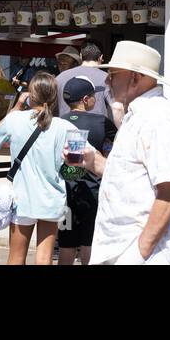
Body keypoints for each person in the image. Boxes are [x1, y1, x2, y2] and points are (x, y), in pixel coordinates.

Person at [64, 41, 170, 264]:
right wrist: (91, 160)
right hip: (123, 249)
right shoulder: (137, 115)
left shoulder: (158, 117)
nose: (106, 80)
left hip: (143, 253)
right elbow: (126, 175)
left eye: (113, 74)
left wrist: (139, 253)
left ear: (135, 77)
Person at [0, 70, 72, 265]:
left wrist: (17, 105)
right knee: (44, 258)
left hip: (21, 198)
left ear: (31, 95)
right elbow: (77, 164)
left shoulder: (15, 119)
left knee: (16, 257)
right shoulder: (64, 127)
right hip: (51, 199)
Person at [58, 76, 117, 265]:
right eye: (93, 96)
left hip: (65, 194)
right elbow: (115, 151)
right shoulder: (102, 122)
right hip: (94, 193)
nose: (95, 99)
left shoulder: (58, 122)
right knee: (90, 245)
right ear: (85, 99)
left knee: (66, 247)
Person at [56, 42, 110, 117]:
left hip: (65, 126)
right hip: (97, 127)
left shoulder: (59, 78)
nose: (61, 66)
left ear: (80, 56)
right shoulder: (107, 78)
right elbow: (116, 107)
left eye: (64, 64)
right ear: (100, 57)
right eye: (60, 63)